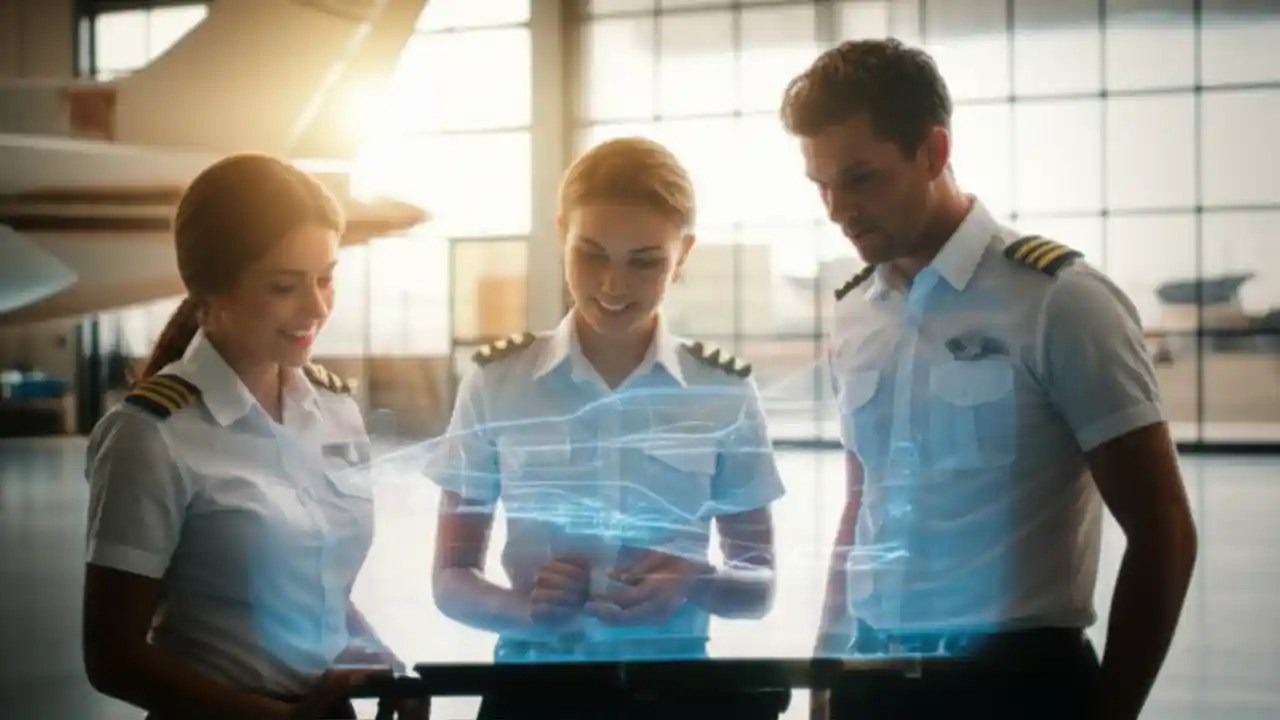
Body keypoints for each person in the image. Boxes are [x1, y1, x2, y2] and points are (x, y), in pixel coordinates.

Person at [779, 40, 1199, 720]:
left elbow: (1165, 530)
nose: (837, 209)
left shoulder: (1060, 301)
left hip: (1016, 685)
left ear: (934, 152)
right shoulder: (855, 313)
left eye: (861, 179)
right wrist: (827, 679)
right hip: (872, 675)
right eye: (821, 184)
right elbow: (862, 510)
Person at [427, 137, 788, 719]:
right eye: (590, 254)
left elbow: (759, 585)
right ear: (560, 232)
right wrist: (526, 611)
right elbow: (450, 577)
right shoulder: (497, 383)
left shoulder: (723, 392)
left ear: (685, 252)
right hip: (533, 694)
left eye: (645, 261)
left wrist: (694, 579)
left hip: (678, 698)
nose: (613, 285)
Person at [81, 154, 420, 719]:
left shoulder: (335, 409)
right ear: (211, 292)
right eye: (285, 285)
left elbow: (322, 592)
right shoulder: (151, 434)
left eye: (326, 278)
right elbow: (112, 658)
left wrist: (384, 665)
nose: (316, 307)